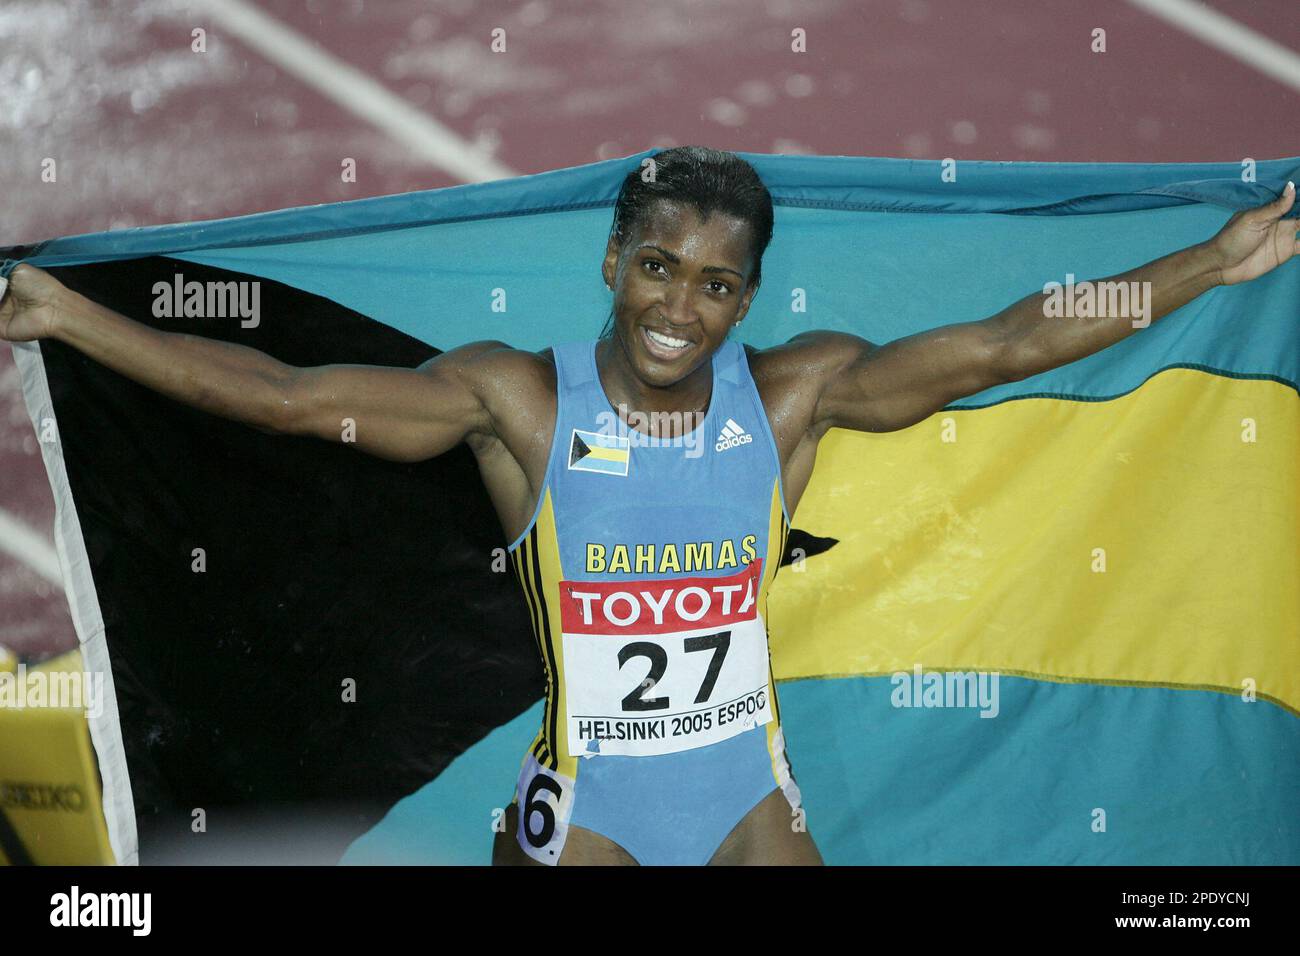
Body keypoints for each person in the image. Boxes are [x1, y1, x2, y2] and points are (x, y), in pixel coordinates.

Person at [2, 147, 1295, 865]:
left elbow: (1015, 341)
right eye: (662, 268)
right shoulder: (520, 404)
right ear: (615, 260)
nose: (682, 309)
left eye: (718, 286)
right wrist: (69, 315)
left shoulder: (796, 397)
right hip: (590, 818)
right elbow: (287, 397)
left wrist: (1214, 264)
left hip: (747, 802)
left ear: (751, 297)